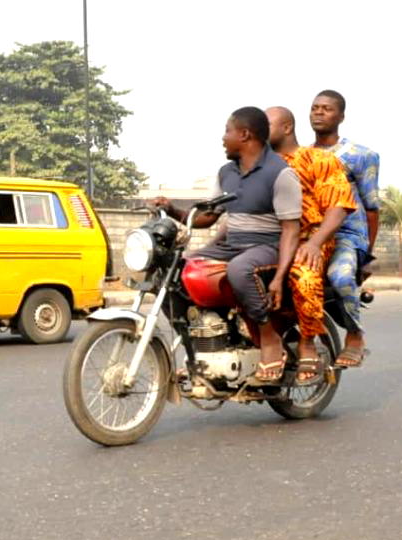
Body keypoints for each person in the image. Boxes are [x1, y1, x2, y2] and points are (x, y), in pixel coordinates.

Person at [151, 107, 302, 383]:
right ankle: (197, 347)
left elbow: (291, 230)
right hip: (233, 243)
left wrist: (279, 277)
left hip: (268, 244)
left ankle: (270, 339)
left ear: (244, 135)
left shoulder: (280, 173)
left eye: (227, 131)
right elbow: (207, 217)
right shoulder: (226, 173)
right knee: (171, 270)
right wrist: (172, 210)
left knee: (239, 269)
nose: (223, 138)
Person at [266, 106, 355, 384]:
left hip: (310, 237)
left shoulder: (316, 159)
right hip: (268, 241)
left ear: (287, 127)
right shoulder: (260, 165)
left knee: (303, 273)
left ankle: (308, 341)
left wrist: (316, 243)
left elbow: (338, 206)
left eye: (265, 124)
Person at [309, 90, 380, 369]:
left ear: (341, 116)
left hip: (346, 237)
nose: (318, 112)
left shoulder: (361, 156)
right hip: (309, 235)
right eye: (315, 108)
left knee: (339, 277)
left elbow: (372, 208)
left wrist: (367, 257)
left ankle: (354, 335)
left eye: (326, 109)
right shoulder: (300, 156)